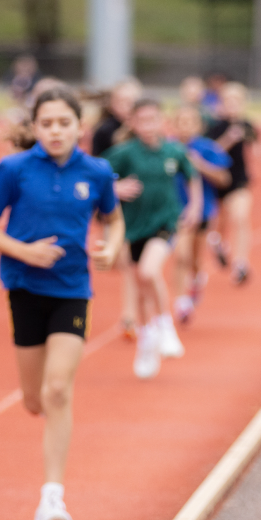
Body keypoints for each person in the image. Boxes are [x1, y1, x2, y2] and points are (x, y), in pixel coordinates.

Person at [0, 87, 125, 520]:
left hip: (73, 290)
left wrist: (112, 247)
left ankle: (51, 499)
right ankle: (44, 421)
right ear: (35, 128)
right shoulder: (14, 169)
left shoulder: (97, 171)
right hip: (24, 289)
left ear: (81, 127)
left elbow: (113, 219)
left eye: (64, 123)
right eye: (47, 123)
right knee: (34, 400)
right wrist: (25, 251)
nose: (56, 131)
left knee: (59, 389)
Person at [102, 98, 202, 378]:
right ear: (132, 123)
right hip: (134, 227)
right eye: (142, 120)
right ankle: (148, 341)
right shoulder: (124, 153)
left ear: (162, 121)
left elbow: (192, 176)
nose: (148, 126)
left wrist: (193, 207)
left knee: (149, 270)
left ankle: (166, 327)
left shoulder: (173, 150)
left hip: (166, 223)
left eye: (153, 119)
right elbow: (95, 175)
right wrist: (116, 186)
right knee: (142, 284)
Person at [88, 78, 143, 341]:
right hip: (114, 204)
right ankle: (129, 317)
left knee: (137, 265)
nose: (126, 107)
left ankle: (137, 315)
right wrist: (114, 187)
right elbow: (94, 168)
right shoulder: (104, 131)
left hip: (143, 206)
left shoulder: (146, 129)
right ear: (112, 104)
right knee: (127, 263)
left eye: (131, 102)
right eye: (121, 101)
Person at [170, 103, 231, 324]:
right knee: (181, 255)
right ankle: (181, 302)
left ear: (199, 126)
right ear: (174, 125)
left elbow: (224, 179)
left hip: (203, 210)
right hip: (175, 211)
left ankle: (196, 280)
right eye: (181, 122)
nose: (185, 127)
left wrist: (199, 165)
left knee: (195, 257)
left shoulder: (209, 148)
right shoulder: (167, 148)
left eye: (190, 122)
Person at [205, 81, 259, 285]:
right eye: (228, 101)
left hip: (239, 179)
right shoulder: (214, 127)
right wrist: (228, 139)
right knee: (219, 224)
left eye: (237, 101)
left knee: (241, 218)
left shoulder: (246, 125)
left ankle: (241, 264)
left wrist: (256, 148)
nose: (233, 105)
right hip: (216, 181)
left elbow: (255, 143)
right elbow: (210, 152)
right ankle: (217, 243)